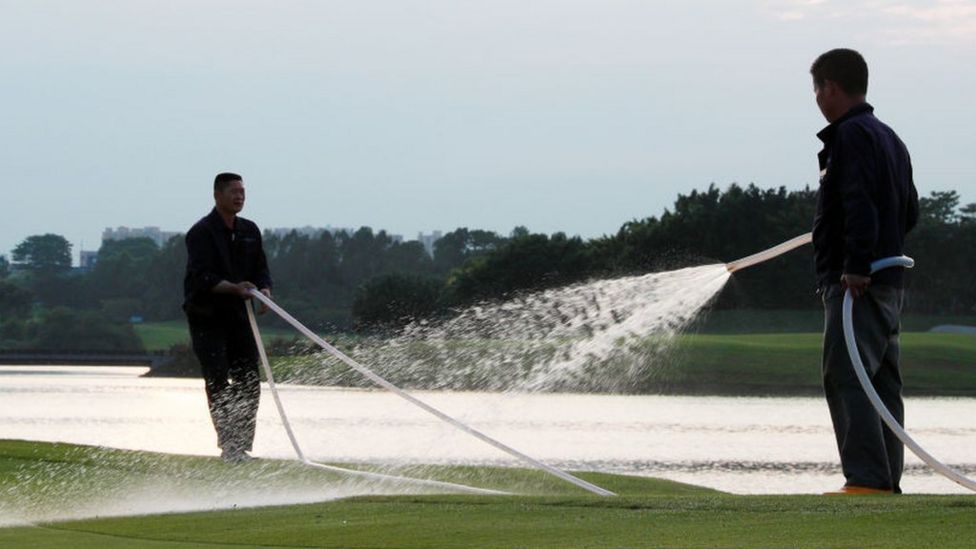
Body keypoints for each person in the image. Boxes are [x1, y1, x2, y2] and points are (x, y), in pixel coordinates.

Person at [810, 49, 919, 494]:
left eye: (816, 89)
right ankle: (885, 479)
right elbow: (908, 211)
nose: (816, 98)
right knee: (882, 381)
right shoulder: (890, 137)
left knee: (847, 372)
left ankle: (867, 480)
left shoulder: (850, 136)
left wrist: (855, 265)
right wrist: (883, 252)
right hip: (889, 280)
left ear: (830, 87)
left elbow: (858, 201)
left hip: (858, 282)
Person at [184, 172, 273, 463]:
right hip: (207, 317)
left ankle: (241, 446)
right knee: (218, 379)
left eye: (243, 192)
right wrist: (235, 288)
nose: (240, 197)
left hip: (239, 317)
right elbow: (202, 277)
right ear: (217, 195)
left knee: (248, 380)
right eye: (234, 192)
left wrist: (265, 290)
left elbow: (260, 268)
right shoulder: (201, 232)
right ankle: (229, 447)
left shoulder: (250, 230)